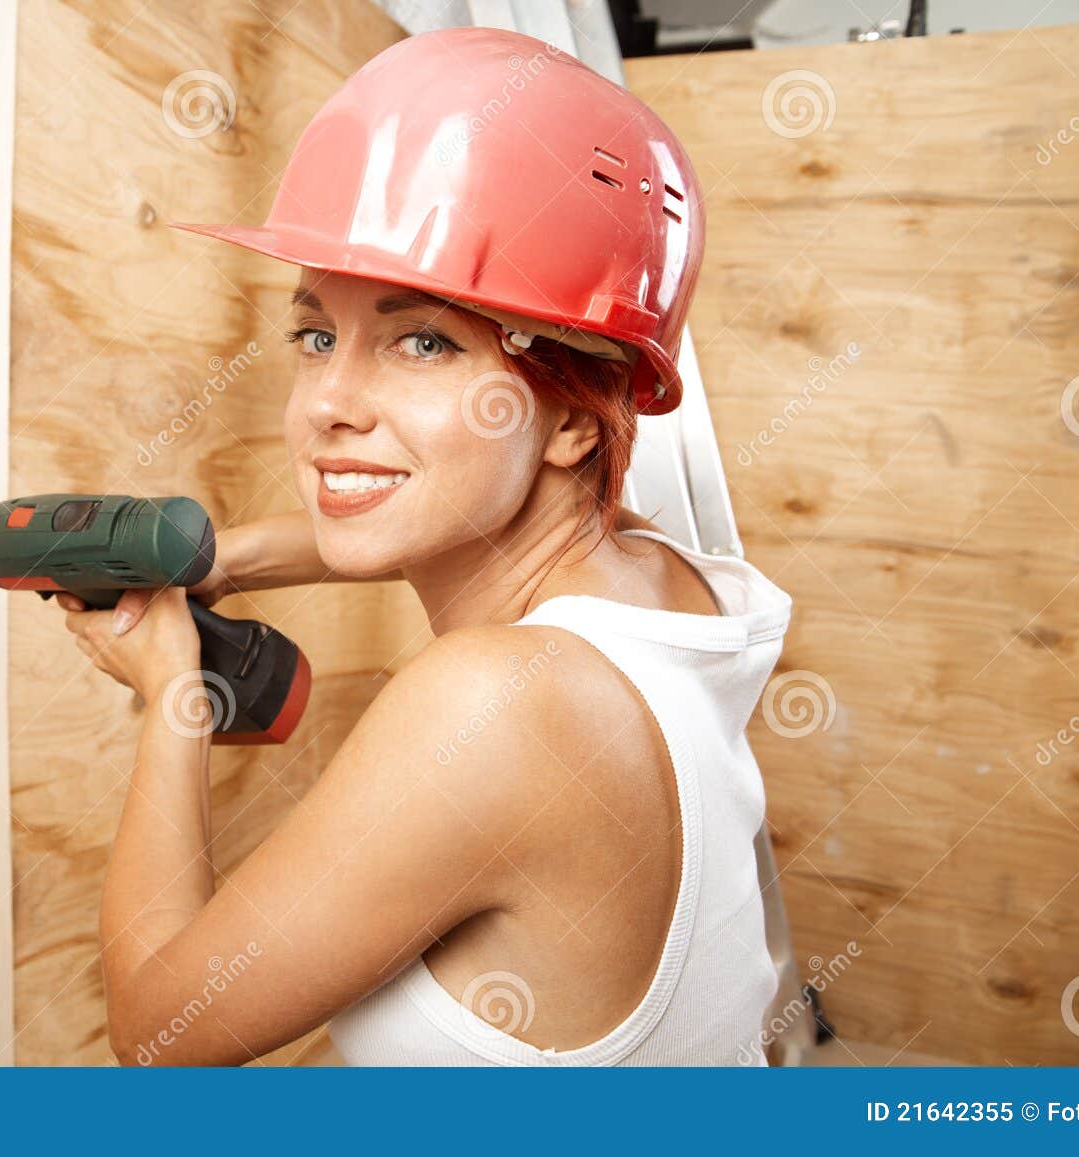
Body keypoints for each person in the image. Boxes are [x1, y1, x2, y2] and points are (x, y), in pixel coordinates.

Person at [58, 26, 792, 1066]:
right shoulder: (677, 590)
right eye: (316, 335)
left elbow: (153, 1029)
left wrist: (172, 686)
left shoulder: (496, 701)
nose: (326, 405)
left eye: (422, 342)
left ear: (577, 414)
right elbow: (477, 508)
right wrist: (239, 555)